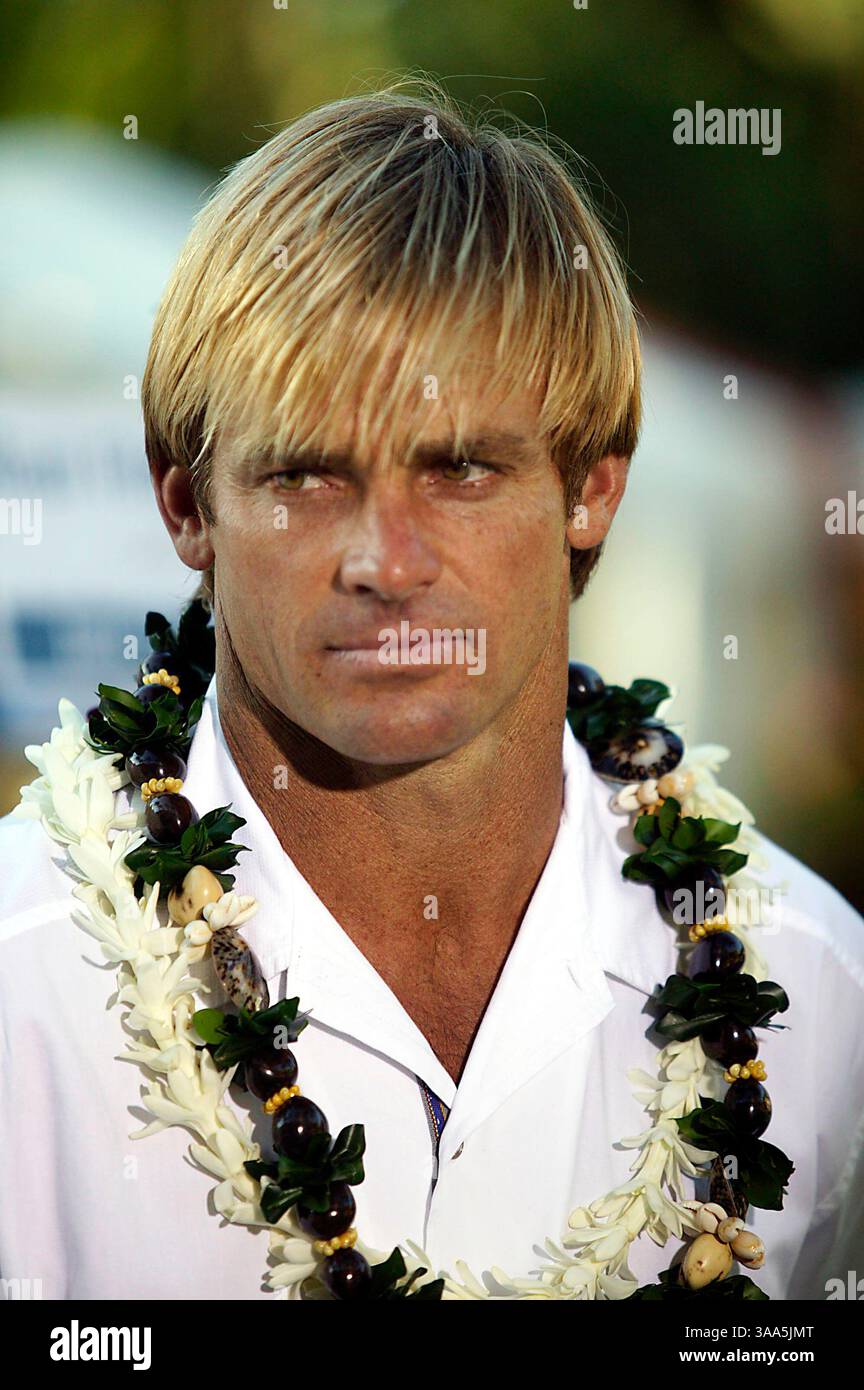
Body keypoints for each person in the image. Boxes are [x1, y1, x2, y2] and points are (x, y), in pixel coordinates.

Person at [1, 79, 861, 1303]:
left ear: (593, 492)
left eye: (461, 469)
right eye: (305, 474)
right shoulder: (19, 994)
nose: (386, 562)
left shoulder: (823, 996)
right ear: (185, 500)